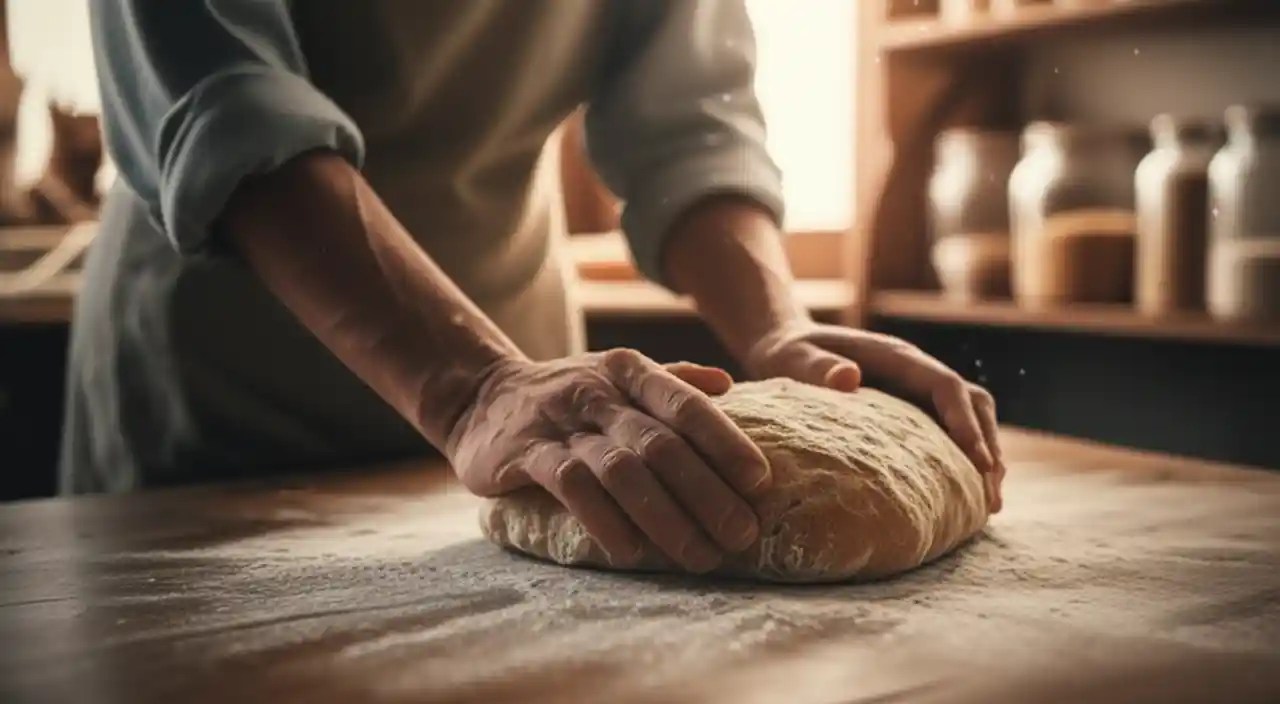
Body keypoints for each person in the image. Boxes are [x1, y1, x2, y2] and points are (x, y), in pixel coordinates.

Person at [65, 1, 1004, 573]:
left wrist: (778, 327)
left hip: (539, 408)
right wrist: (468, 385)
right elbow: (224, 100)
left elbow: (690, 123)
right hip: (229, 382)